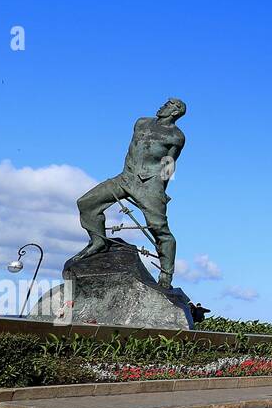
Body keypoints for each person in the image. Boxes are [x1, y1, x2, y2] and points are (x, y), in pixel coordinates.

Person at [73, 98, 187, 288]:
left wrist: (161, 191)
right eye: (164, 103)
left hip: (149, 184)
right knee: (86, 203)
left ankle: (166, 274)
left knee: (159, 229)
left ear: (175, 112)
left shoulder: (176, 136)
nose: (162, 105)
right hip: (126, 177)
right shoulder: (141, 122)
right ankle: (99, 242)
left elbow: (169, 165)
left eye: (168, 105)